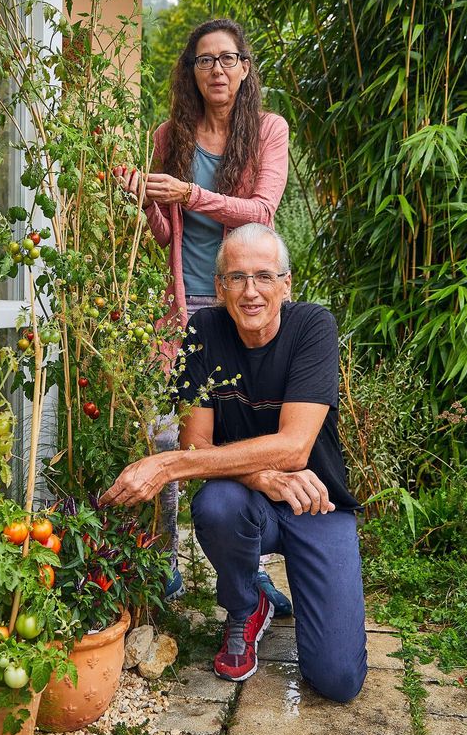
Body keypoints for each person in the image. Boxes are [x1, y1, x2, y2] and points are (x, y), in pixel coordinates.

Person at [100, 225, 368, 702]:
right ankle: (247, 604)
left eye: (264, 276)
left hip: (317, 500)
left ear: (287, 284)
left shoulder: (313, 327)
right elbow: (197, 442)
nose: (250, 291)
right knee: (217, 505)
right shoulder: (204, 331)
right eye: (236, 277)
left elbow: (295, 449)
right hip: (248, 502)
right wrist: (259, 476)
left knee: (338, 680)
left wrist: (166, 466)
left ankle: (302, 603)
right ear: (219, 285)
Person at [114, 18, 291, 610]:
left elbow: (261, 212)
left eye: (228, 58)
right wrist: (146, 199)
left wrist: (187, 193)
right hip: (183, 307)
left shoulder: (268, 130)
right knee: (168, 429)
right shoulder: (172, 135)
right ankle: (165, 559)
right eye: (204, 60)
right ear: (190, 72)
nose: (217, 68)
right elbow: (170, 232)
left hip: (246, 302)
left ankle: (250, 566)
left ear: (244, 69)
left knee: (249, 432)